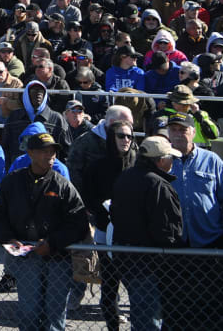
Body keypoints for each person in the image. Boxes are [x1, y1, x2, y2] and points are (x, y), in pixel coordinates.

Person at [0, 132, 90, 331]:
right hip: (26, 258)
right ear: (30, 153)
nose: (50, 156)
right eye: (45, 151)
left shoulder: (63, 185)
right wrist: (9, 240)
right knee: (28, 313)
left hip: (58, 259)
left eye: (53, 152)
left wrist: (53, 243)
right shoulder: (12, 182)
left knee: (55, 315)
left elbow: (79, 222)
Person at [163, 111, 223, 328]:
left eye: (182, 130)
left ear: (193, 132)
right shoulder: (161, 161)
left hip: (210, 247)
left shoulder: (212, 161)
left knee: (212, 307)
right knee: (174, 307)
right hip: (174, 248)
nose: (177, 135)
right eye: (173, 130)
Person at [109, 136, 185, 331]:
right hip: (152, 264)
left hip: (126, 259)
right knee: (150, 320)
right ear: (159, 160)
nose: (173, 161)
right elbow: (168, 232)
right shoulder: (159, 185)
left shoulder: (125, 177)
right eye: (170, 157)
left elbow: (115, 215)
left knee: (142, 316)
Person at [82, 114, 137, 331]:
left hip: (134, 234)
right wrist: (104, 210)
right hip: (106, 231)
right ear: (111, 138)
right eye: (121, 136)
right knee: (109, 290)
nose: (126, 140)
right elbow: (88, 195)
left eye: (130, 136)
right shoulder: (97, 166)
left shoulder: (138, 163)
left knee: (138, 291)